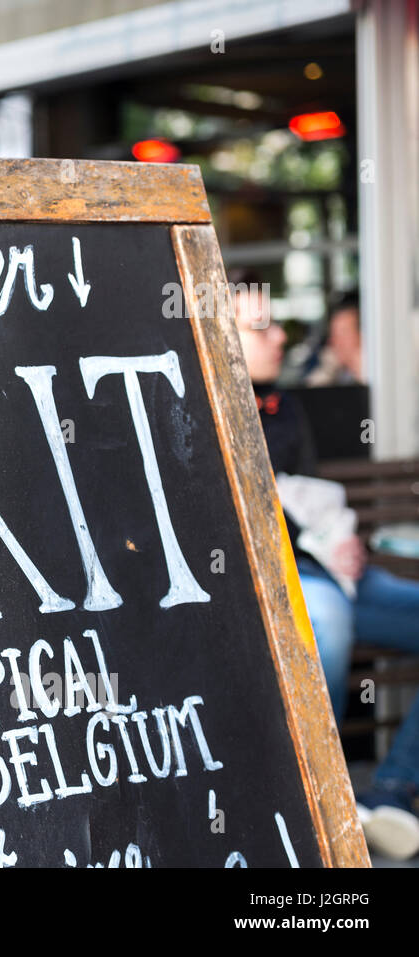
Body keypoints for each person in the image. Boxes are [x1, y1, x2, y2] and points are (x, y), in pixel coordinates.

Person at [231, 273, 419, 860]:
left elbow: (310, 495)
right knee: (328, 620)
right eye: (261, 326)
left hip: (331, 572)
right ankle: (322, 802)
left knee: (347, 607)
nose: (281, 337)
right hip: (274, 585)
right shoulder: (195, 408)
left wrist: (344, 540)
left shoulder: (284, 408)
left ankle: (391, 792)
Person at [305, 292, 364, 386]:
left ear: (362, 335)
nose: (335, 341)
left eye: (343, 333)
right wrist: (328, 370)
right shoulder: (339, 373)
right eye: (334, 334)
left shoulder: (377, 372)